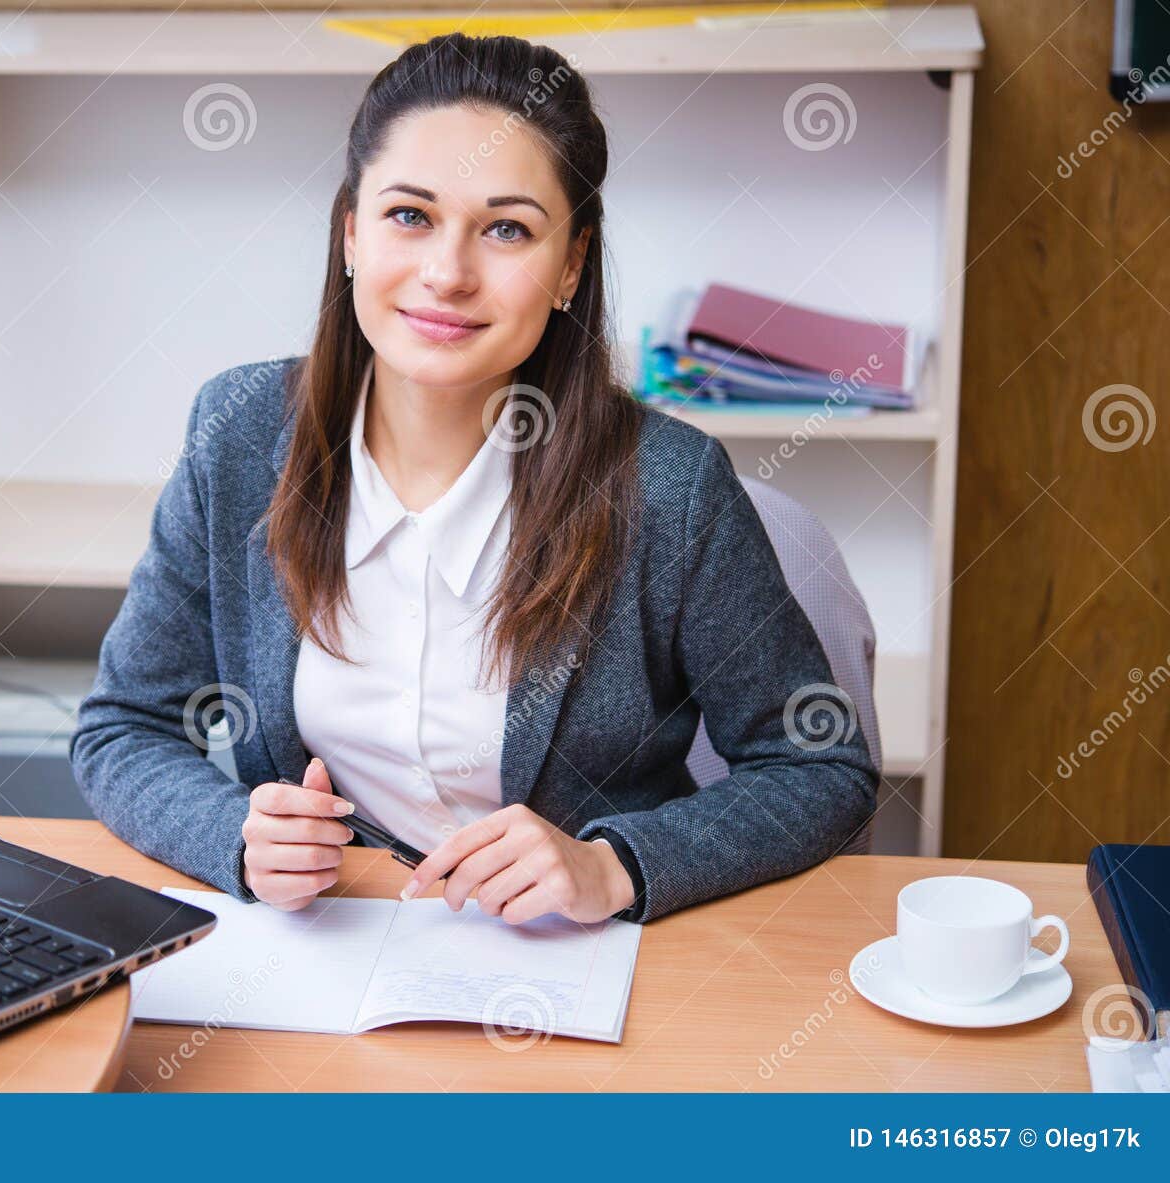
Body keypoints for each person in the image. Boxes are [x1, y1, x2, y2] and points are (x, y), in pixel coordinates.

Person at [70, 33, 876, 927]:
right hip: (326, 952)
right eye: (409, 215)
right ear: (349, 231)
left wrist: (613, 865)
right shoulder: (239, 433)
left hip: (572, 966)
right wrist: (234, 833)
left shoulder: (670, 487)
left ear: (571, 264)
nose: (447, 274)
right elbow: (124, 728)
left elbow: (820, 767)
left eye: (507, 229)